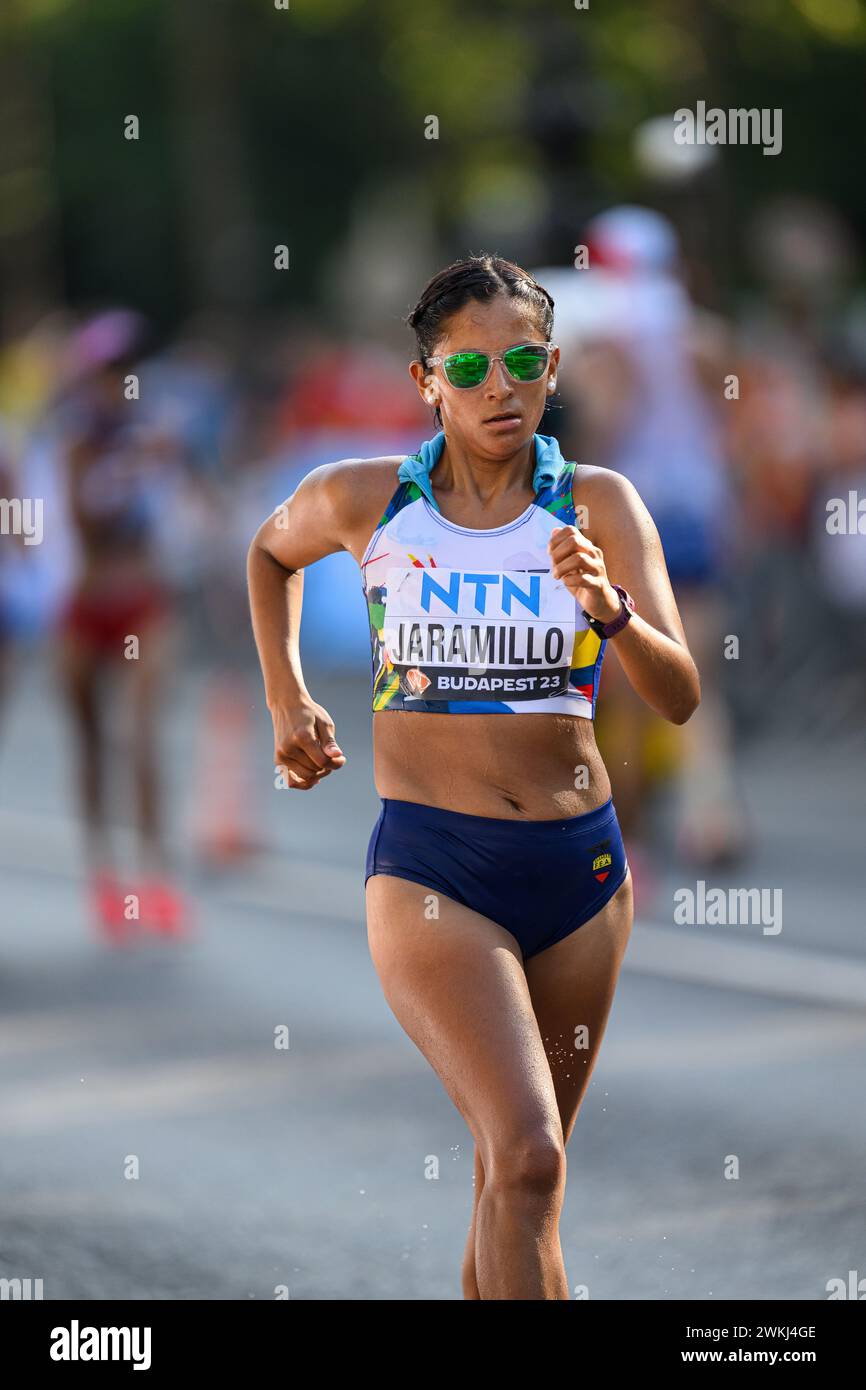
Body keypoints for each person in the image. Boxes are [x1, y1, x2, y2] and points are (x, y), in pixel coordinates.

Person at [247, 255, 700, 1300]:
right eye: (470, 366)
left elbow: (677, 695)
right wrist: (285, 697)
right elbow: (268, 556)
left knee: (515, 1177)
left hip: (580, 870)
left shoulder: (598, 504)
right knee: (529, 1155)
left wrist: (611, 612)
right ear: (426, 381)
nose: (500, 386)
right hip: (433, 868)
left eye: (524, 361)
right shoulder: (365, 498)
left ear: (552, 371)